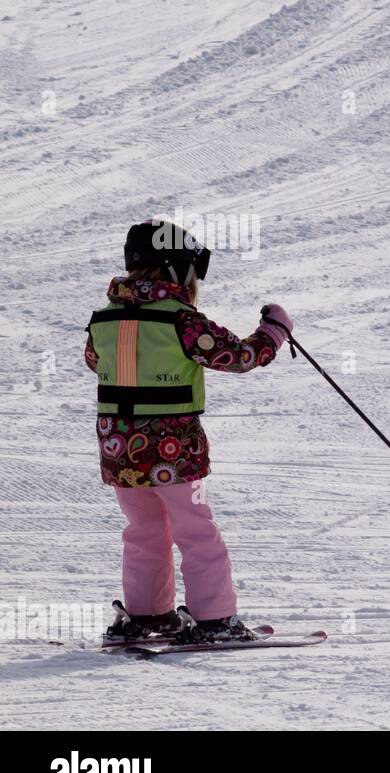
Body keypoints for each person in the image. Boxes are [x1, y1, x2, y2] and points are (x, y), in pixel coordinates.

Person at [85, 219, 294, 643]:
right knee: (196, 529)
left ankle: (148, 615)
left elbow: (95, 361)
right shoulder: (181, 320)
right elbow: (238, 356)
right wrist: (276, 330)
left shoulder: (103, 319)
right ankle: (216, 619)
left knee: (144, 530)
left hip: (119, 448)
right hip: (172, 449)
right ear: (177, 269)